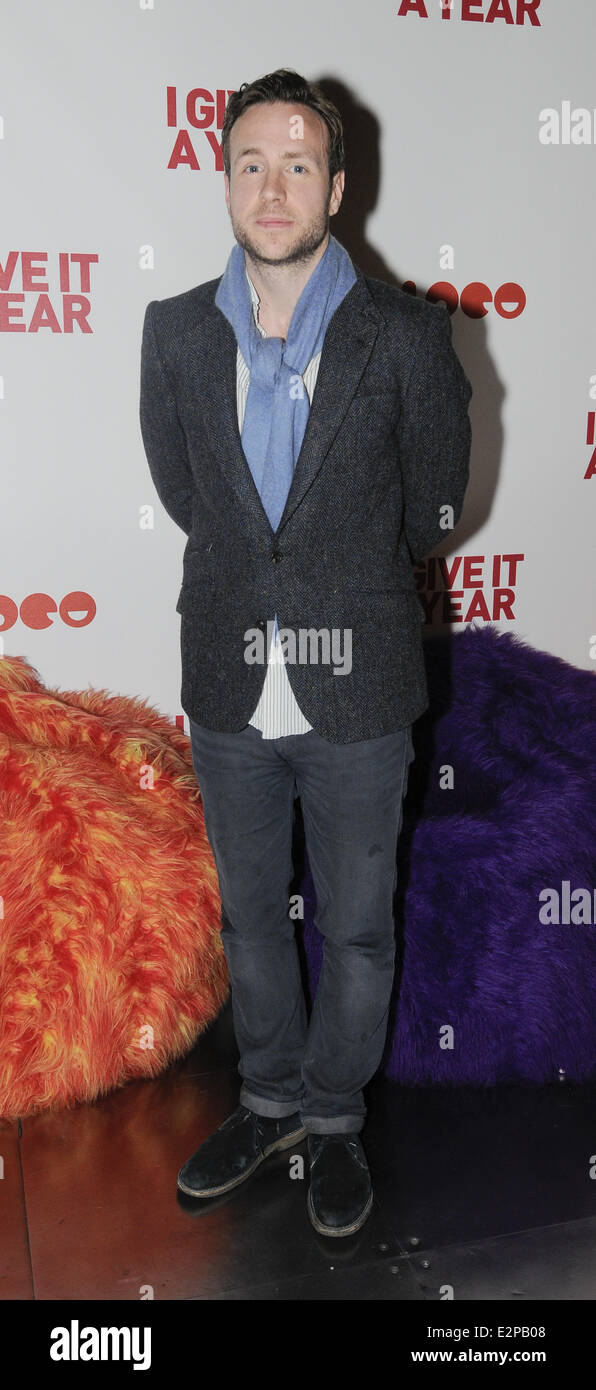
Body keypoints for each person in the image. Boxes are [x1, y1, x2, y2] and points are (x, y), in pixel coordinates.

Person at [140, 67, 472, 1238]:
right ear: (222, 177)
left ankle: (333, 1119)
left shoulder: (407, 332)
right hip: (228, 668)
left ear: (336, 183)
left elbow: (437, 501)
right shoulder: (175, 332)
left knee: (357, 921)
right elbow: (189, 495)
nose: (272, 186)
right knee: (248, 917)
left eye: (297, 163)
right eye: (250, 162)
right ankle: (268, 1095)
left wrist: (340, 581)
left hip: (363, 680)